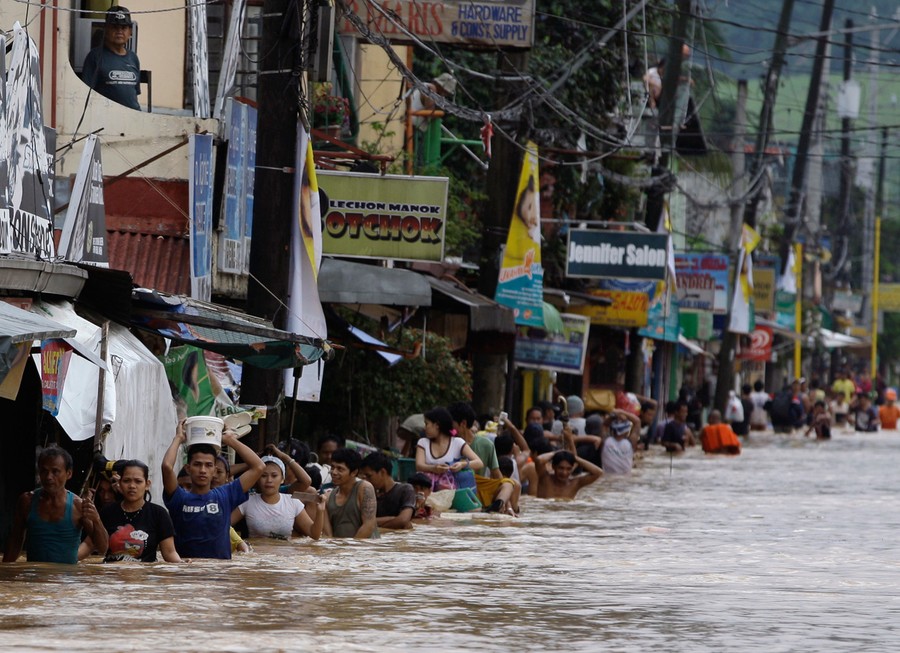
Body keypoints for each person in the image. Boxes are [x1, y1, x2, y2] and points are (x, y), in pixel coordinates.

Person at [161, 423, 265, 559]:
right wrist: (178, 438)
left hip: (219, 573)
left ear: (214, 470)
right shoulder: (179, 498)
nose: (203, 470)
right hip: (185, 572)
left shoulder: (225, 495)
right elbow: (167, 467)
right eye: (197, 464)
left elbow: (259, 467)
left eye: (208, 465)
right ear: (187, 468)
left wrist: (230, 440)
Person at [4, 446, 108, 564]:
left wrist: (97, 520)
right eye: (44, 471)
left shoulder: (78, 506)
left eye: (55, 472)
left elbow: (102, 548)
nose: (49, 477)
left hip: (66, 580)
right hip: (34, 579)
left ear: (69, 474)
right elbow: (15, 541)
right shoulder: (27, 501)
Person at [88, 459, 182, 563]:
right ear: (119, 483)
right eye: (126, 481)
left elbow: (169, 553)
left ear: (147, 484)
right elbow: (90, 545)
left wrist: (182, 566)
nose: (132, 486)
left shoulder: (159, 514)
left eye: (138, 481)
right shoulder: (107, 512)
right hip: (112, 575)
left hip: (144, 576)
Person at [448, 402, 518, 514]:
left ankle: (499, 504)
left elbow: (498, 477)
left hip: (478, 490)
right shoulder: (447, 442)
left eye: (452, 424)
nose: (449, 428)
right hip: (454, 488)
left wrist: (508, 507)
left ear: (463, 423)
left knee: (508, 483)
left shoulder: (486, 444)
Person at [233, 456, 324, 540]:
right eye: (264, 476)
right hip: (256, 555)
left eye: (274, 476)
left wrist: (320, 511)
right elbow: (224, 525)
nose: (269, 480)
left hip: (284, 555)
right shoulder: (248, 501)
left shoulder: (292, 502)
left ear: (282, 479)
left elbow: (314, 534)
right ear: (257, 479)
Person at [81, 6, 141, 111]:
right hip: (108, 119)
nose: (119, 31)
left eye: (123, 28)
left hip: (133, 120)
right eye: (115, 27)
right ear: (106, 29)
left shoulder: (133, 58)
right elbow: (85, 95)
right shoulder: (95, 57)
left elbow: (134, 95)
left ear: (130, 31)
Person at [415, 406, 483, 490]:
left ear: (437, 425)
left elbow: (479, 463)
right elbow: (419, 466)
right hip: (427, 493)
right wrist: (433, 468)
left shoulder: (457, 442)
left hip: (450, 494)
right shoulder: (423, 442)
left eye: (427, 424)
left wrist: (462, 465)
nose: (424, 428)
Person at [323, 448, 378, 539]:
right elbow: (327, 536)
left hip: (364, 550)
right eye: (332, 467)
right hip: (340, 551)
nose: (334, 472)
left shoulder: (364, 488)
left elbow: (368, 526)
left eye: (340, 469)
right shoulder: (326, 498)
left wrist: (351, 550)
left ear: (354, 472)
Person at [535, 428, 603, 499]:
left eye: (568, 469)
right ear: (553, 466)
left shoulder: (575, 484)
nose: (564, 473)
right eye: (561, 468)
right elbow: (539, 460)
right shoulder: (545, 478)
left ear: (572, 468)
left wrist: (575, 458)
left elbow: (599, 472)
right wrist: (557, 452)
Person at [359, 453, 416, 530]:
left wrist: (370, 523)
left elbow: (403, 520)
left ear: (382, 472)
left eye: (369, 476)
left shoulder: (405, 490)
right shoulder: (368, 492)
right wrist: (392, 519)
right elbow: (359, 521)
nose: (366, 480)